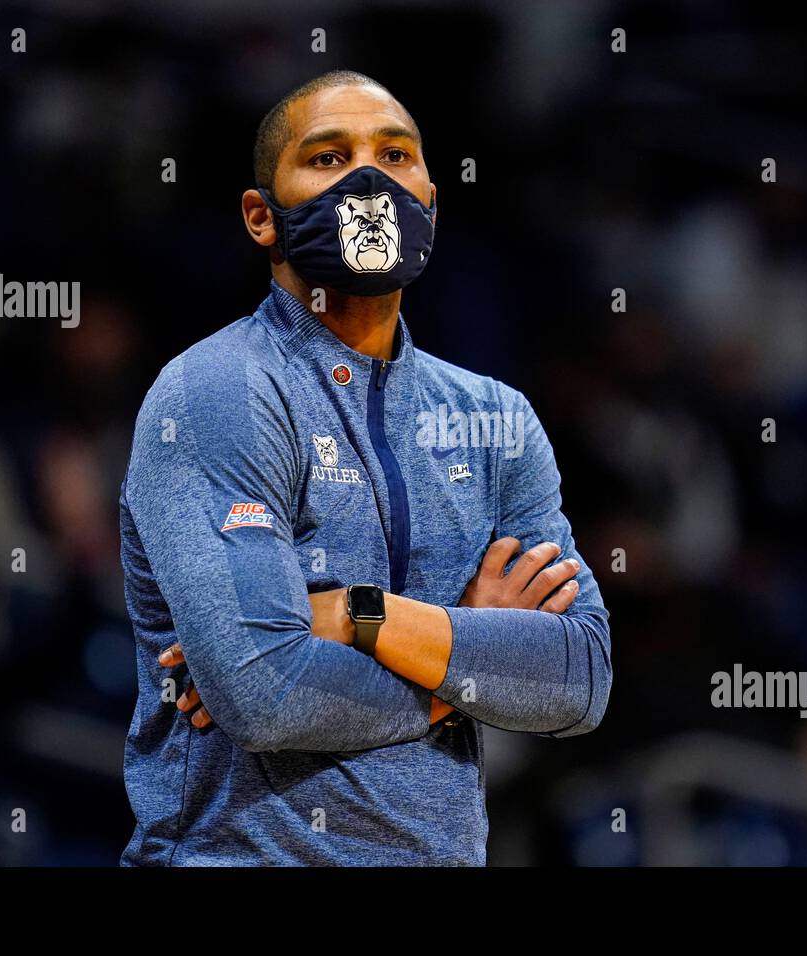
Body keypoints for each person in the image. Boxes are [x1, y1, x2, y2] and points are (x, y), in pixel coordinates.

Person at [118, 70, 611, 865]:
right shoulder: (216, 392)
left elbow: (579, 677)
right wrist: (467, 654)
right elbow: (264, 697)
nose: (369, 178)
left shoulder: (495, 417)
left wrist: (358, 613)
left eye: (395, 153)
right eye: (328, 157)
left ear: (431, 202)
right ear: (260, 218)